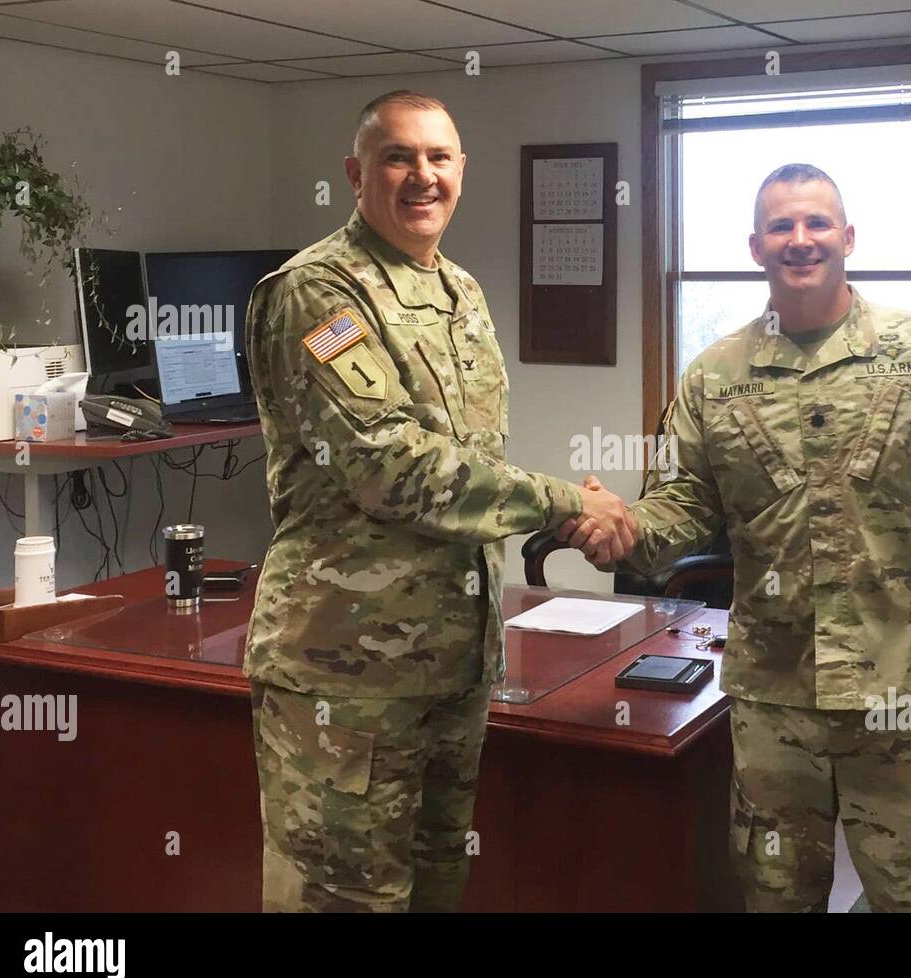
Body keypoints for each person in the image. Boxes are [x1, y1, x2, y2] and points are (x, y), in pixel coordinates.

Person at [561, 163, 911, 912]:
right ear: (756, 246)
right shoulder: (716, 374)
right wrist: (620, 529)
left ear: (848, 237)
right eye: (782, 226)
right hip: (774, 689)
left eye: (817, 224)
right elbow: (683, 504)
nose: (800, 240)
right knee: (776, 890)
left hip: (903, 681)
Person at [243, 89, 633, 912]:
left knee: (436, 886)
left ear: (462, 171)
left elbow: (467, 468)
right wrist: (567, 502)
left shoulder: (460, 293)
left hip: (451, 665)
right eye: (398, 157)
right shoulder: (319, 296)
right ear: (356, 174)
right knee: (347, 898)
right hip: (346, 677)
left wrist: (566, 514)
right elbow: (394, 468)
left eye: (439, 157)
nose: (422, 176)